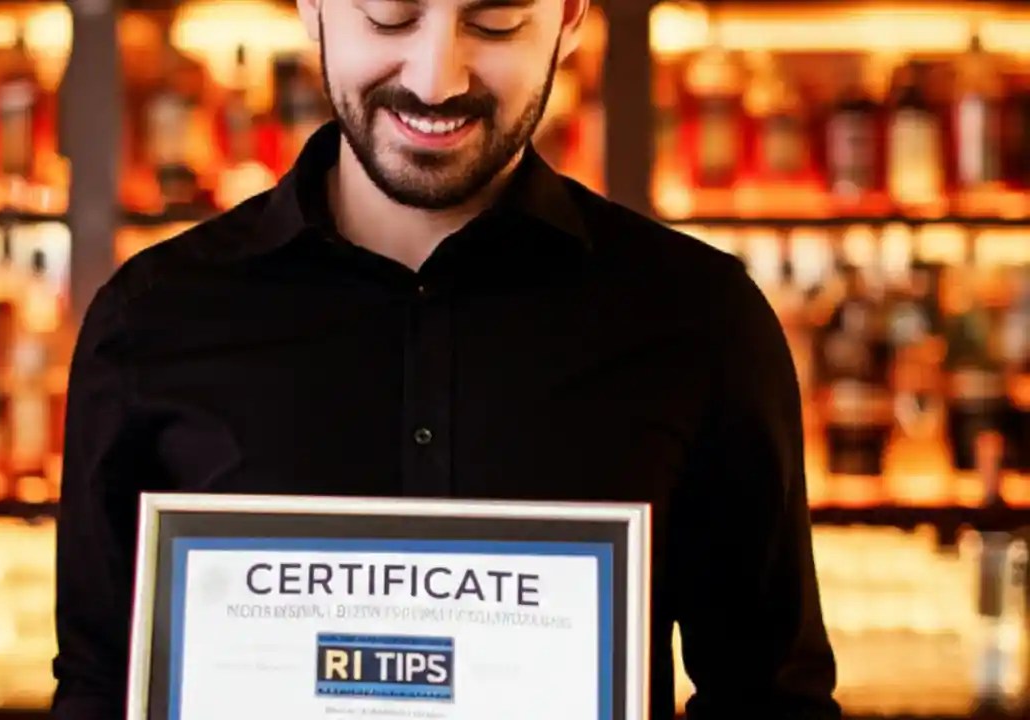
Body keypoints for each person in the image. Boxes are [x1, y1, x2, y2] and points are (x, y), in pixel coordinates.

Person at [51, 0, 841, 718]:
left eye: (493, 23)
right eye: (391, 18)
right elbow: (97, 686)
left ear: (568, 19)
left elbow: (770, 699)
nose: (436, 79)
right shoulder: (151, 320)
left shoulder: (702, 318)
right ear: (313, 8)